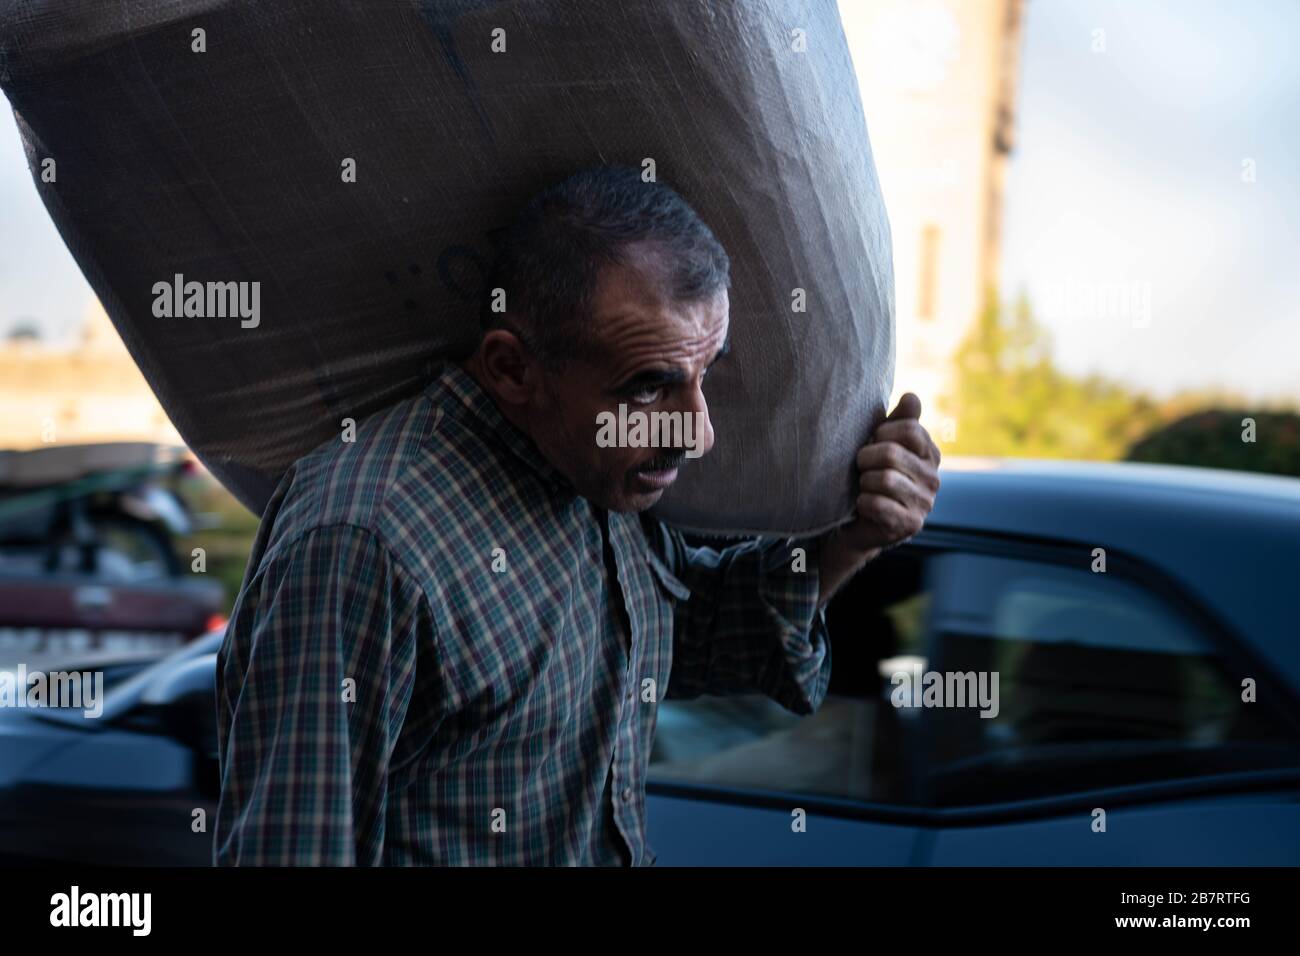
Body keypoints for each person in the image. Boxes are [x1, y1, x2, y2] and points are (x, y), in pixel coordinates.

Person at [212, 166, 940, 865]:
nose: (699, 433)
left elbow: (686, 637)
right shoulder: (364, 545)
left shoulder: (596, 477)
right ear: (512, 369)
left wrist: (855, 538)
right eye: (650, 387)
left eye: (703, 374)